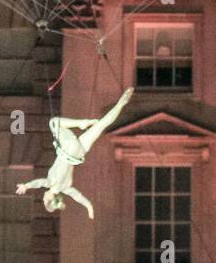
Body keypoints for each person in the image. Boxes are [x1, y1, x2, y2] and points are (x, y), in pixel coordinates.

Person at [15, 88, 133, 218]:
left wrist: (89, 207)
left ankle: (121, 103)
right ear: (50, 198)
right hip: (69, 149)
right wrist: (26, 186)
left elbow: (79, 197)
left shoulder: (66, 188)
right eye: (44, 200)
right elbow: (39, 183)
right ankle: (81, 123)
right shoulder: (51, 183)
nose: (43, 197)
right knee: (53, 122)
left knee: (102, 124)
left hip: (80, 151)